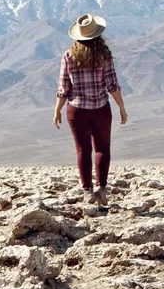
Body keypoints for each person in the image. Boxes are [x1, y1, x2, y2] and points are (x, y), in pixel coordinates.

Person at [53, 14, 127, 209]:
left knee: (83, 150)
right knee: (103, 148)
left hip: (77, 110)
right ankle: (102, 189)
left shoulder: (68, 56)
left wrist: (57, 110)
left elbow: (63, 88)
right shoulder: (105, 54)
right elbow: (112, 84)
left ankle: (87, 192)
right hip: (101, 108)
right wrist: (121, 107)